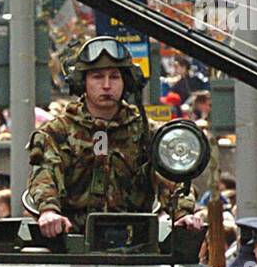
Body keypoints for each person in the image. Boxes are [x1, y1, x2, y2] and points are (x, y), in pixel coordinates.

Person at [26, 37, 203, 237]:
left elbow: (170, 178)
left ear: (126, 81)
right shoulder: (57, 131)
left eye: (114, 77)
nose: (107, 85)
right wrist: (49, 211)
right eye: (97, 77)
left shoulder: (146, 131)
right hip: (70, 239)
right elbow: (44, 173)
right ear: (82, 82)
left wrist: (182, 213)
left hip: (135, 242)